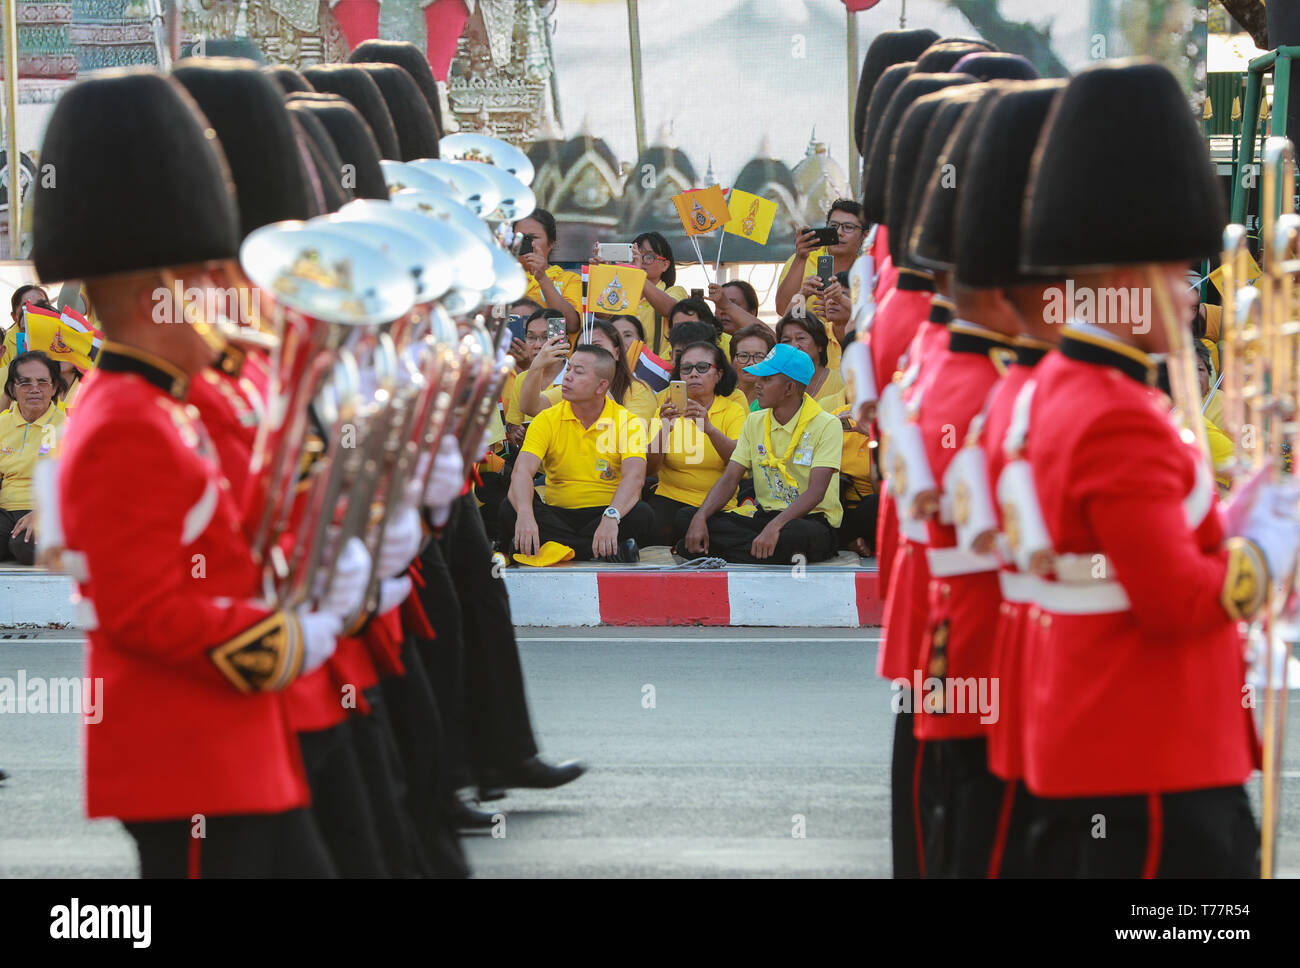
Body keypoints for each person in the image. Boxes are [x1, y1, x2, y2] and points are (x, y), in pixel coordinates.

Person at [33, 68, 369, 878]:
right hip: (185, 751)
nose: (230, 294)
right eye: (208, 278)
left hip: (230, 743)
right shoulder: (122, 421)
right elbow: (146, 609)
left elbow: (234, 531)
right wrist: (286, 640)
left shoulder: (166, 405)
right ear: (154, 292)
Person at [1014, 60, 1271, 878]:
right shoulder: (1117, 413)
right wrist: (1266, 550)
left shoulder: (1069, 383)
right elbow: (1174, 599)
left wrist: (1245, 508)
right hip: (1155, 762)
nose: (1191, 294)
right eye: (1173, 270)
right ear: (1121, 273)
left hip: (1110, 743)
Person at [681, 344, 842, 565]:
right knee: (687, 518)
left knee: (793, 536)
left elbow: (816, 493)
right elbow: (730, 478)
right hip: (764, 516)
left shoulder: (827, 424)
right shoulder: (755, 420)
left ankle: (717, 551)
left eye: (766, 379)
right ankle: (762, 551)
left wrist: (775, 527)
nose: (757, 384)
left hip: (810, 520)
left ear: (789, 388)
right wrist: (700, 516)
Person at [502, 344, 653, 562]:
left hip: (604, 513)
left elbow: (635, 477)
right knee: (511, 507)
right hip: (556, 513)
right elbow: (523, 471)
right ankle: (604, 551)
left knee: (642, 514)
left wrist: (611, 516)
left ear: (601, 386)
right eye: (569, 369)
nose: (567, 377)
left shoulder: (628, 423)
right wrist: (525, 514)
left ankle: (550, 548)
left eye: (578, 372)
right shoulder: (547, 419)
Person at [645, 340, 747, 546]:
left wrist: (709, 428)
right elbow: (650, 469)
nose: (693, 374)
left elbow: (740, 463)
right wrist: (665, 428)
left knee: (697, 526)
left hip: (718, 503)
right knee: (650, 526)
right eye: (686, 368)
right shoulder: (666, 411)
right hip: (669, 497)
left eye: (702, 367)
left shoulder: (732, 410)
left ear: (719, 374)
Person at [519, 316, 657, 426]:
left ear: (617, 353)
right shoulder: (575, 386)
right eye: (583, 347)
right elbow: (530, 407)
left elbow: (632, 437)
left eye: (597, 346)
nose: (589, 353)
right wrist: (537, 366)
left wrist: (599, 391)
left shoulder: (638, 390)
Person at [773, 199, 864, 365]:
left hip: (849, 359)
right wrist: (801, 260)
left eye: (848, 227)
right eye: (833, 226)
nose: (839, 233)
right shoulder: (803, 259)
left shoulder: (866, 272)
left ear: (864, 236)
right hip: (802, 361)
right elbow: (781, 309)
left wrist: (840, 310)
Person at [0, 351, 66, 564]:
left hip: (47, 510)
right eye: (25, 383)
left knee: (25, 547)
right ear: (12, 389)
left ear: (54, 387)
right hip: (5, 510)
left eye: (42, 382)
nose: (35, 389)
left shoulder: (69, 426)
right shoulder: (2, 424)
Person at [591, 231, 687, 358]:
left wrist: (637, 274)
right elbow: (601, 314)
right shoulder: (621, 292)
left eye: (649, 257)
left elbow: (671, 309)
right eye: (636, 255)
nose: (641, 261)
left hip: (657, 371)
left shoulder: (675, 291)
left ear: (665, 265)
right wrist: (602, 273)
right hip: (623, 370)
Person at [515, 208, 581, 334]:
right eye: (519, 237)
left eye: (532, 237)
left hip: (552, 352)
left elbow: (571, 325)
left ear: (551, 243)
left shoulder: (569, 279)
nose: (525, 243)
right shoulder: (500, 278)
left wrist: (542, 278)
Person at [776, 312, 845, 410]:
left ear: (819, 345)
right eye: (786, 341)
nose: (794, 346)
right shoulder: (775, 385)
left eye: (801, 338)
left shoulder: (841, 383)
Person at [730, 323, 776, 411]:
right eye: (743, 356)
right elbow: (699, 424)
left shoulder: (776, 403)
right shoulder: (720, 397)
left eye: (759, 356)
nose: (751, 363)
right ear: (732, 361)